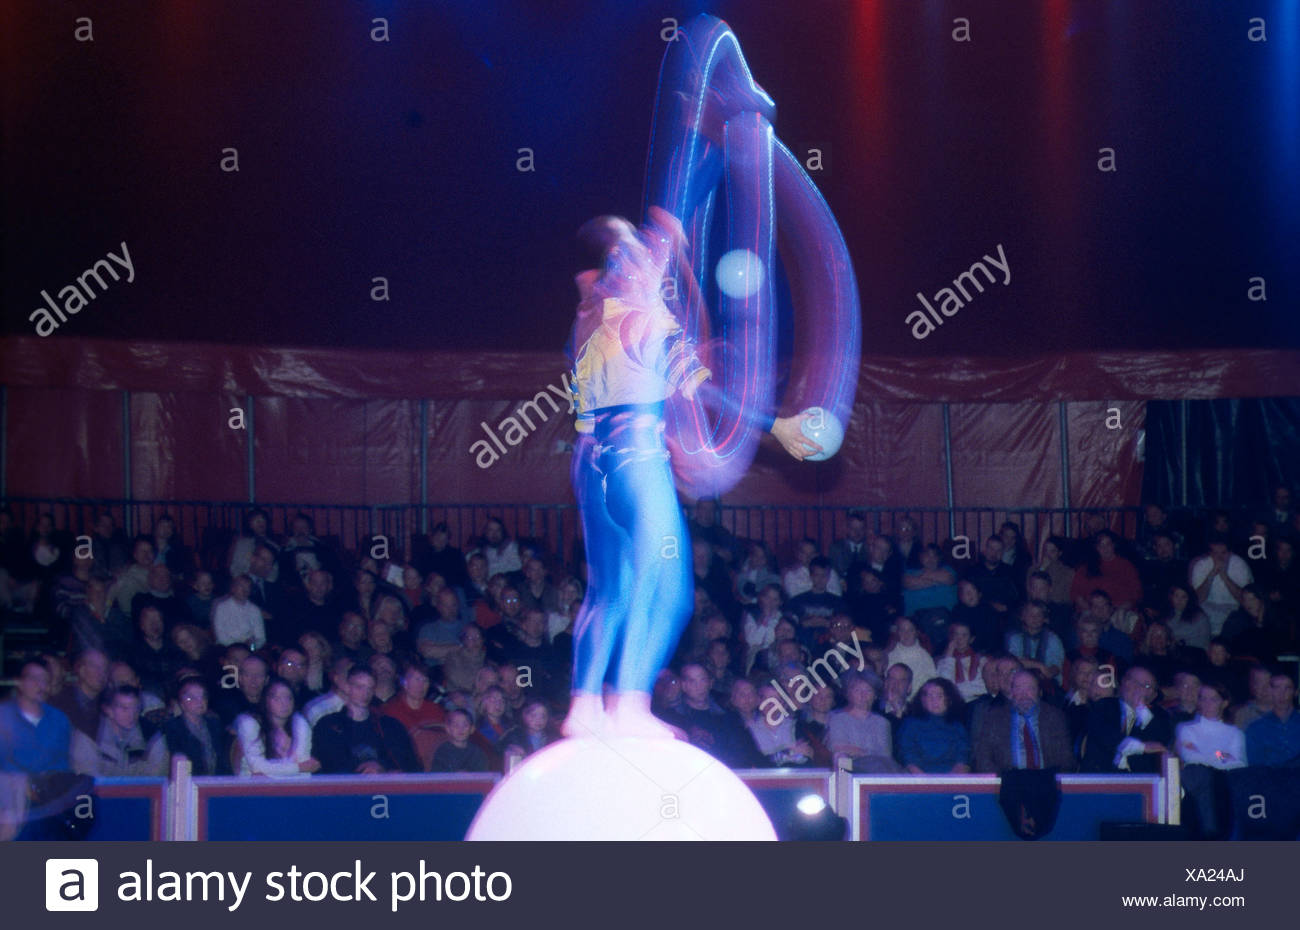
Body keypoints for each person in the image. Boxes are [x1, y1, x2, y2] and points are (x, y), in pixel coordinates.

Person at [562, 207, 816, 739]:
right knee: (670, 592)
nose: (644, 254)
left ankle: (583, 708)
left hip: (590, 461)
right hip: (635, 456)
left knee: (609, 590)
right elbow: (701, 386)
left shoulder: (587, 316)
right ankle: (628, 707)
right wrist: (778, 426)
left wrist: (665, 243)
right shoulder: (642, 313)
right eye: (629, 248)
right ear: (614, 265)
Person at [312, 667, 419, 774]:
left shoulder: (390, 726)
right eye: (359, 687)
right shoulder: (329, 725)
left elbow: (409, 763)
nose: (365, 693)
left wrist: (382, 768)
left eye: (370, 688)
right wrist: (362, 769)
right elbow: (328, 763)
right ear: (348, 687)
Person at [974, 670, 1075, 773]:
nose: (1024, 695)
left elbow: (1066, 759)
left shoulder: (1055, 717)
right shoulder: (994, 717)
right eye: (1018, 688)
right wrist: (1002, 780)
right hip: (1008, 781)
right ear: (1011, 692)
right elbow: (982, 757)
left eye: (1030, 688)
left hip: (1046, 779)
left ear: (1040, 692)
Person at [1080, 665, 1172, 773]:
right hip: (1100, 776)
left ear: (1153, 694)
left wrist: (1142, 711)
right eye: (1133, 681)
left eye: (1146, 686)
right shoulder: (1104, 705)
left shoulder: (1160, 716)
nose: (1137, 688)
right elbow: (1106, 735)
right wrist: (1143, 747)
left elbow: (1160, 743)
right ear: (1123, 683)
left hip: (1141, 780)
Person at [71, 685, 169, 777]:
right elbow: (87, 778)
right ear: (109, 710)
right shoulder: (89, 734)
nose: (132, 715)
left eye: (136, 708)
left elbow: (157, 777)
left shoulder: (151, 735)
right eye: (124, 708)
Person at [234, 678, 318, 777]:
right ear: (266, 700)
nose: (284, 704)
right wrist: (298, 768)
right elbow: (257, 767)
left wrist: (271, 772)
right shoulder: (249, 724)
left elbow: (305, 772)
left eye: (288, 698)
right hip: (253, 790)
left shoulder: (300, 724)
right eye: (277, 698)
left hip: (290, 789)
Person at [897, 678, 971, 774]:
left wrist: (950, 781)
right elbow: (907, 755)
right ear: (923, 700)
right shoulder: (910, 725)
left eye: (939, 696)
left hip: (952, 780)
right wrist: (924, 780)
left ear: (949, 699)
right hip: (918, 778)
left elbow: (963, 756)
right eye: (929, 696)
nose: (934, 700)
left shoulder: (957, 727)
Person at [825, 673, 894, 771]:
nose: (863, 695)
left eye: (868, 690)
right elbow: (837, 747)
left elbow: (885, 755)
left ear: (875, 695)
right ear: (849, 694)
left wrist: (858, 751)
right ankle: (846, 786)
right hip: (850, 768)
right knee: (841, 758)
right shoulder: (837, 719)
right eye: (858, 690)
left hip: (876, 768)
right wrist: (867, 752)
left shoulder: (882, 723)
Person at [162, 677, 229, 776]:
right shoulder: (172, 728)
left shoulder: (214, 724)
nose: (199, 701)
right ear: (181, 703)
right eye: (191, 698)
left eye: (203, 696)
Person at [1189, 536, 1253, 637]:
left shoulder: (1239, 564)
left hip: (1233, 611)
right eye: (1215, 553)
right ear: (1209, 553)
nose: (1219, 557)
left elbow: (1244, 600)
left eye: (1223, 553)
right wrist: (1211, 575)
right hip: (1206, 611)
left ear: (1230, 552)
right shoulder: (1201, 565)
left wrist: (1224, 576)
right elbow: (1198, 599)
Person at [1244, 673, 1300, 768]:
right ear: (1269, 691)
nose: (1282, 694)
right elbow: (1255, 767)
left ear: (1296, 692)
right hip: (1269, 780)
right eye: (1276, 688)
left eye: (1287, 688)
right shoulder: (1256, 729)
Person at [50, 649, 109, 739]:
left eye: (104, 667)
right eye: (95, 667)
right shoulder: (59, 702)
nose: (101, 673)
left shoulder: (108, 705)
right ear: (81, 670)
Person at [1005, 600, 1065, 686]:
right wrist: (1039, 666)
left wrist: (1049, 672)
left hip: (1046, 683)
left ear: (1044, 618)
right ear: (1022, 616)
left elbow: (1056, 664)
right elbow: (1014, 661)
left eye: (1039, 615)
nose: (1034, 618)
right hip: (1019, 682)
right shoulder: (1014, 637)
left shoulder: (1053, 638)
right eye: (1030, 614)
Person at [884, 617, 936, 699]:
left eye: (910, 630)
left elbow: (929, 685)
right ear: (897, 632)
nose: (906, 634)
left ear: (917, 632)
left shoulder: (925, 657)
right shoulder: (890, 652)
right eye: (902, 630)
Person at [935, 622, 987, 703]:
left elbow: (982, 688)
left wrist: (957, 689)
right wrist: (949, 654)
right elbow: (945, 684)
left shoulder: (981, 660)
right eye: (956, 634)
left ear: (971, 639)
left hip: (977, 702)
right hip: (954, 703)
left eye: (964, 635)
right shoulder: (944, 661)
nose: (959, 639)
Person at [212, 574, 266, 648]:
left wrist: (253, 645)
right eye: (241, 586)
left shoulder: (255, 610)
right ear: (233, 588)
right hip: (227, 648)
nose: (244, 590)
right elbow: (220, 636)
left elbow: (261, 637)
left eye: (247, 587)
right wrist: (237, 646)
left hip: (249, 649)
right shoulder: (222, 608)